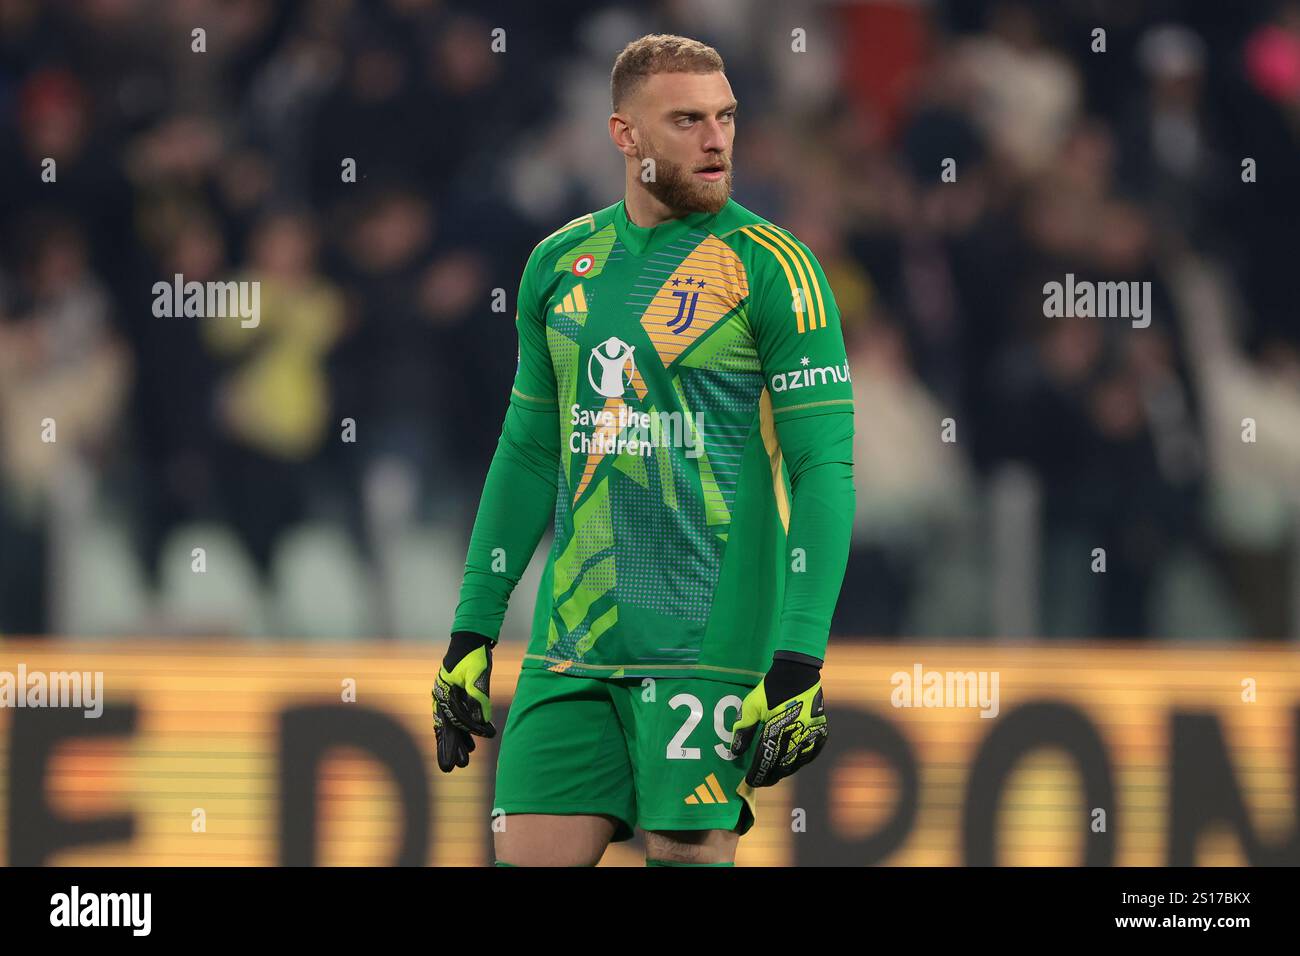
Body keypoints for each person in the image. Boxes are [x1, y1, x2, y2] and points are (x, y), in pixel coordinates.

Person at [431, 34, 855, 867]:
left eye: (726, 118)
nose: (716, 139)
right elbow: (528, 450)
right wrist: (472, 631)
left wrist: (799, 660)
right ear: (625, 137)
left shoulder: (774, 268)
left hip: (707, 655)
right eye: (688, 119)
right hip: (571, 650)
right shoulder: (558, 264)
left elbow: (823, 471)